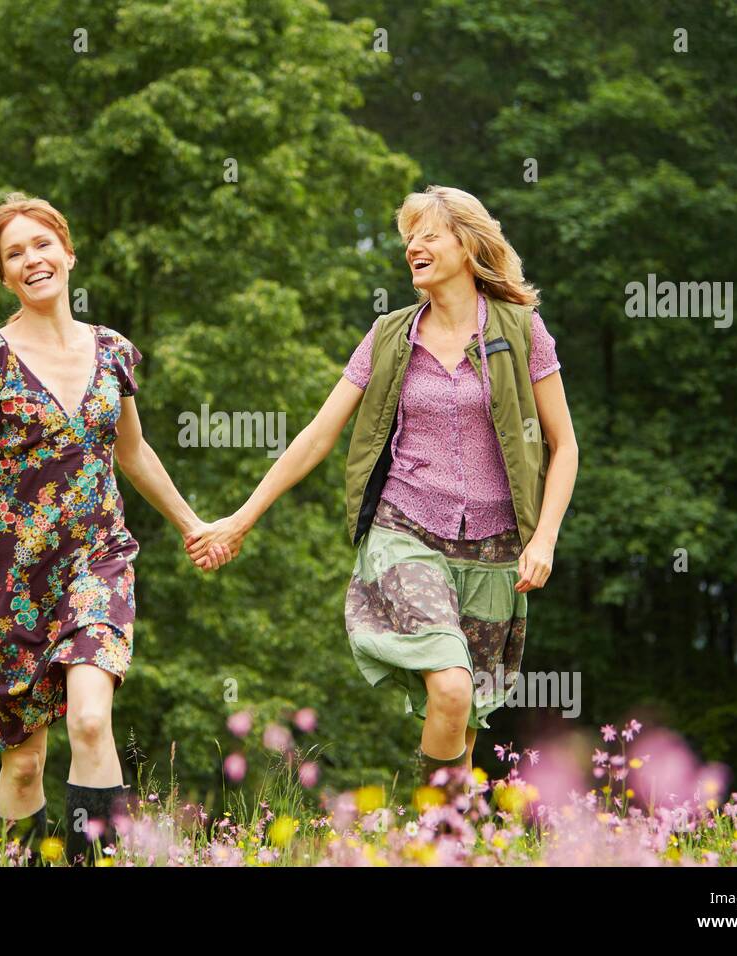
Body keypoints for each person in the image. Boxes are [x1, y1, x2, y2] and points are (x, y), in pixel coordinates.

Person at [186, 185, 578, 790]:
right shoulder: (390, 336)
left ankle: (443, 847)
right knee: (450, 685)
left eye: (428, 235)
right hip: (405, 532)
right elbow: (316, 437)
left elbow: (564, 445)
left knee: (462, 717)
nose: (413, 247)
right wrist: (239, 519)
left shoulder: (521, 330)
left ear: (468, 244)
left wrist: (545, 537)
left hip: (496, 550)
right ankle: (436, 846)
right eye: (408, 238)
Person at [0, 191, 229, 865]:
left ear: (67, 252)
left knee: (91, 718)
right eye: (14, 253)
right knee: (24, 764)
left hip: (97, 561)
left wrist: (190, 523)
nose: (32, 259)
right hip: (10, 580)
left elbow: (132, 450)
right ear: (4, 275)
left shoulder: (112, 350)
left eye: (42, 244)